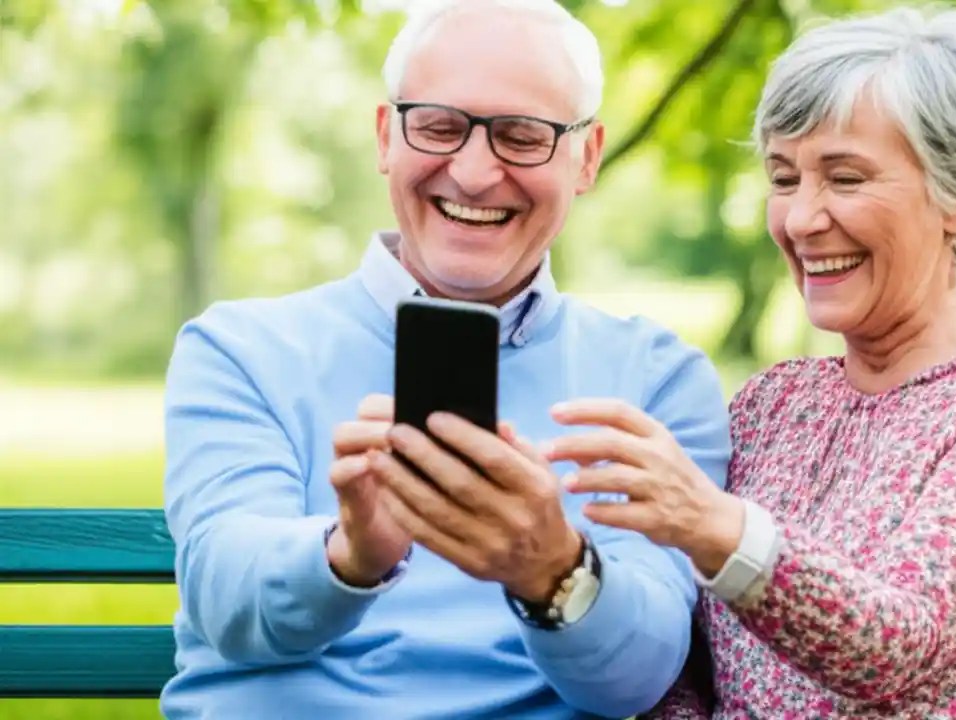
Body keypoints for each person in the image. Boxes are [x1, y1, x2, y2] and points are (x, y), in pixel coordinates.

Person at [542, 7, 956, 719]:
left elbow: (894, 639)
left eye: (844, 179)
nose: (802, 219)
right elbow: (689, 673)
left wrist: (708, 522)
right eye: (785, 179)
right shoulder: (771, 406)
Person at [158, 1, 731, 717]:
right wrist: (350, 554)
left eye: (522, 136)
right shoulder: (239, 350)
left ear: (585, 158)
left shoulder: (656, 379)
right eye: (438, 126)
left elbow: (636, 680)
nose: (474, 172)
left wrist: (552, 566)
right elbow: (224, 597)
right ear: (385, 137)